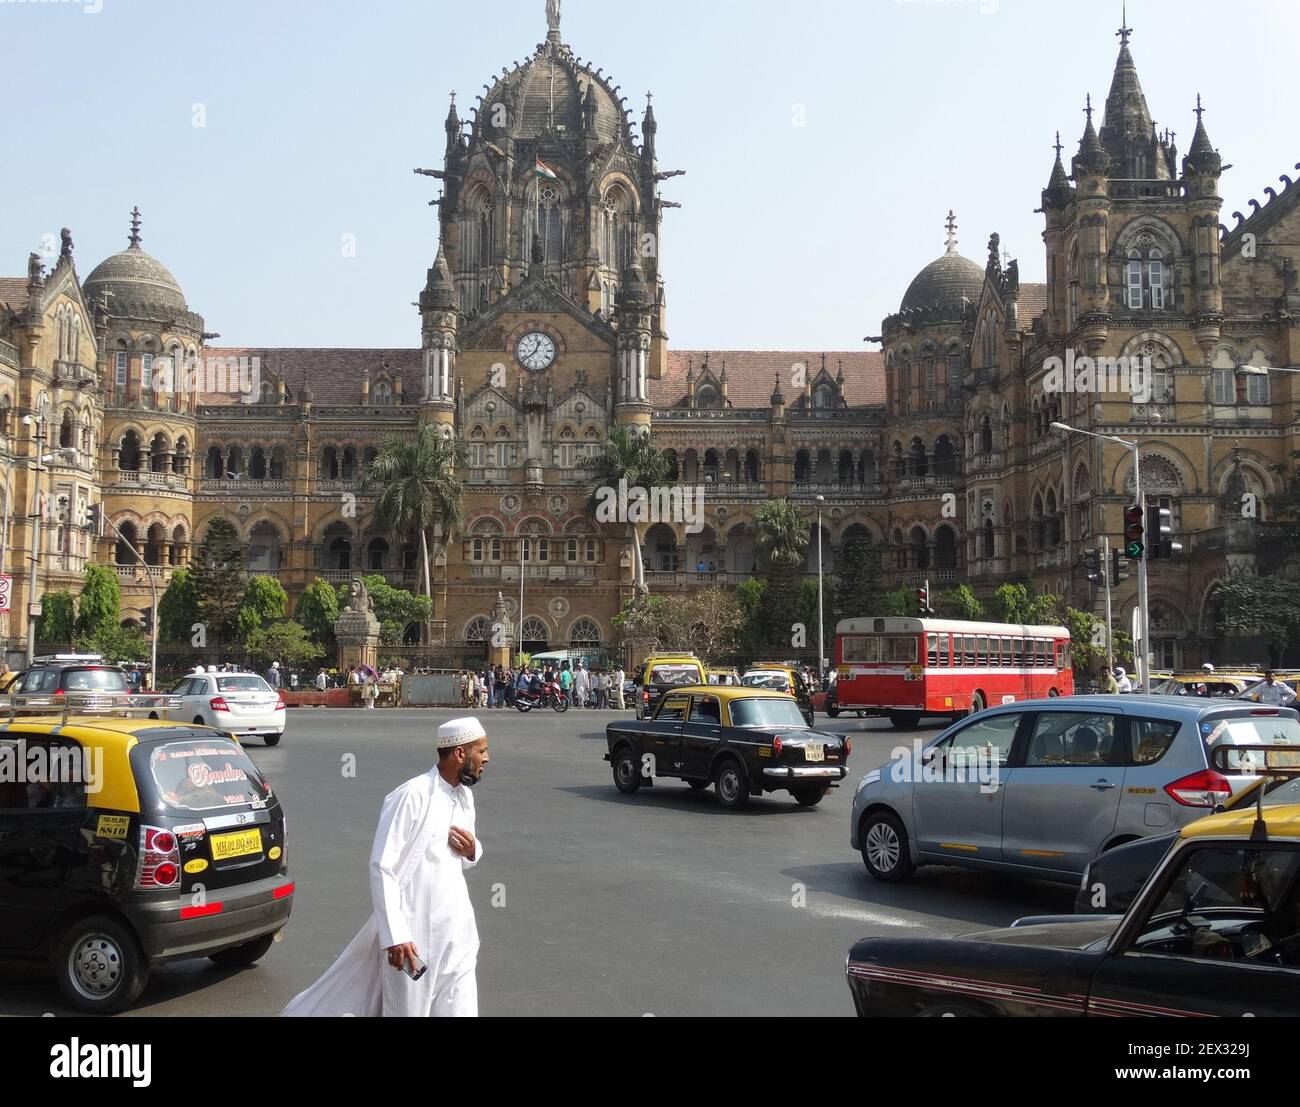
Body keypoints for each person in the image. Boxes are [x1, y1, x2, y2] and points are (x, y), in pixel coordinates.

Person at [282, 717, 490, 1018]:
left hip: (457, 932)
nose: (486, 758)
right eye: (481, 750)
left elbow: (462, 859)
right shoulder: (411, 795)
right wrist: (395, 934)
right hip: (415, 934)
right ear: (460, 754)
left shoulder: (464, 797)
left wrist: (473, 850)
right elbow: (383, 866)